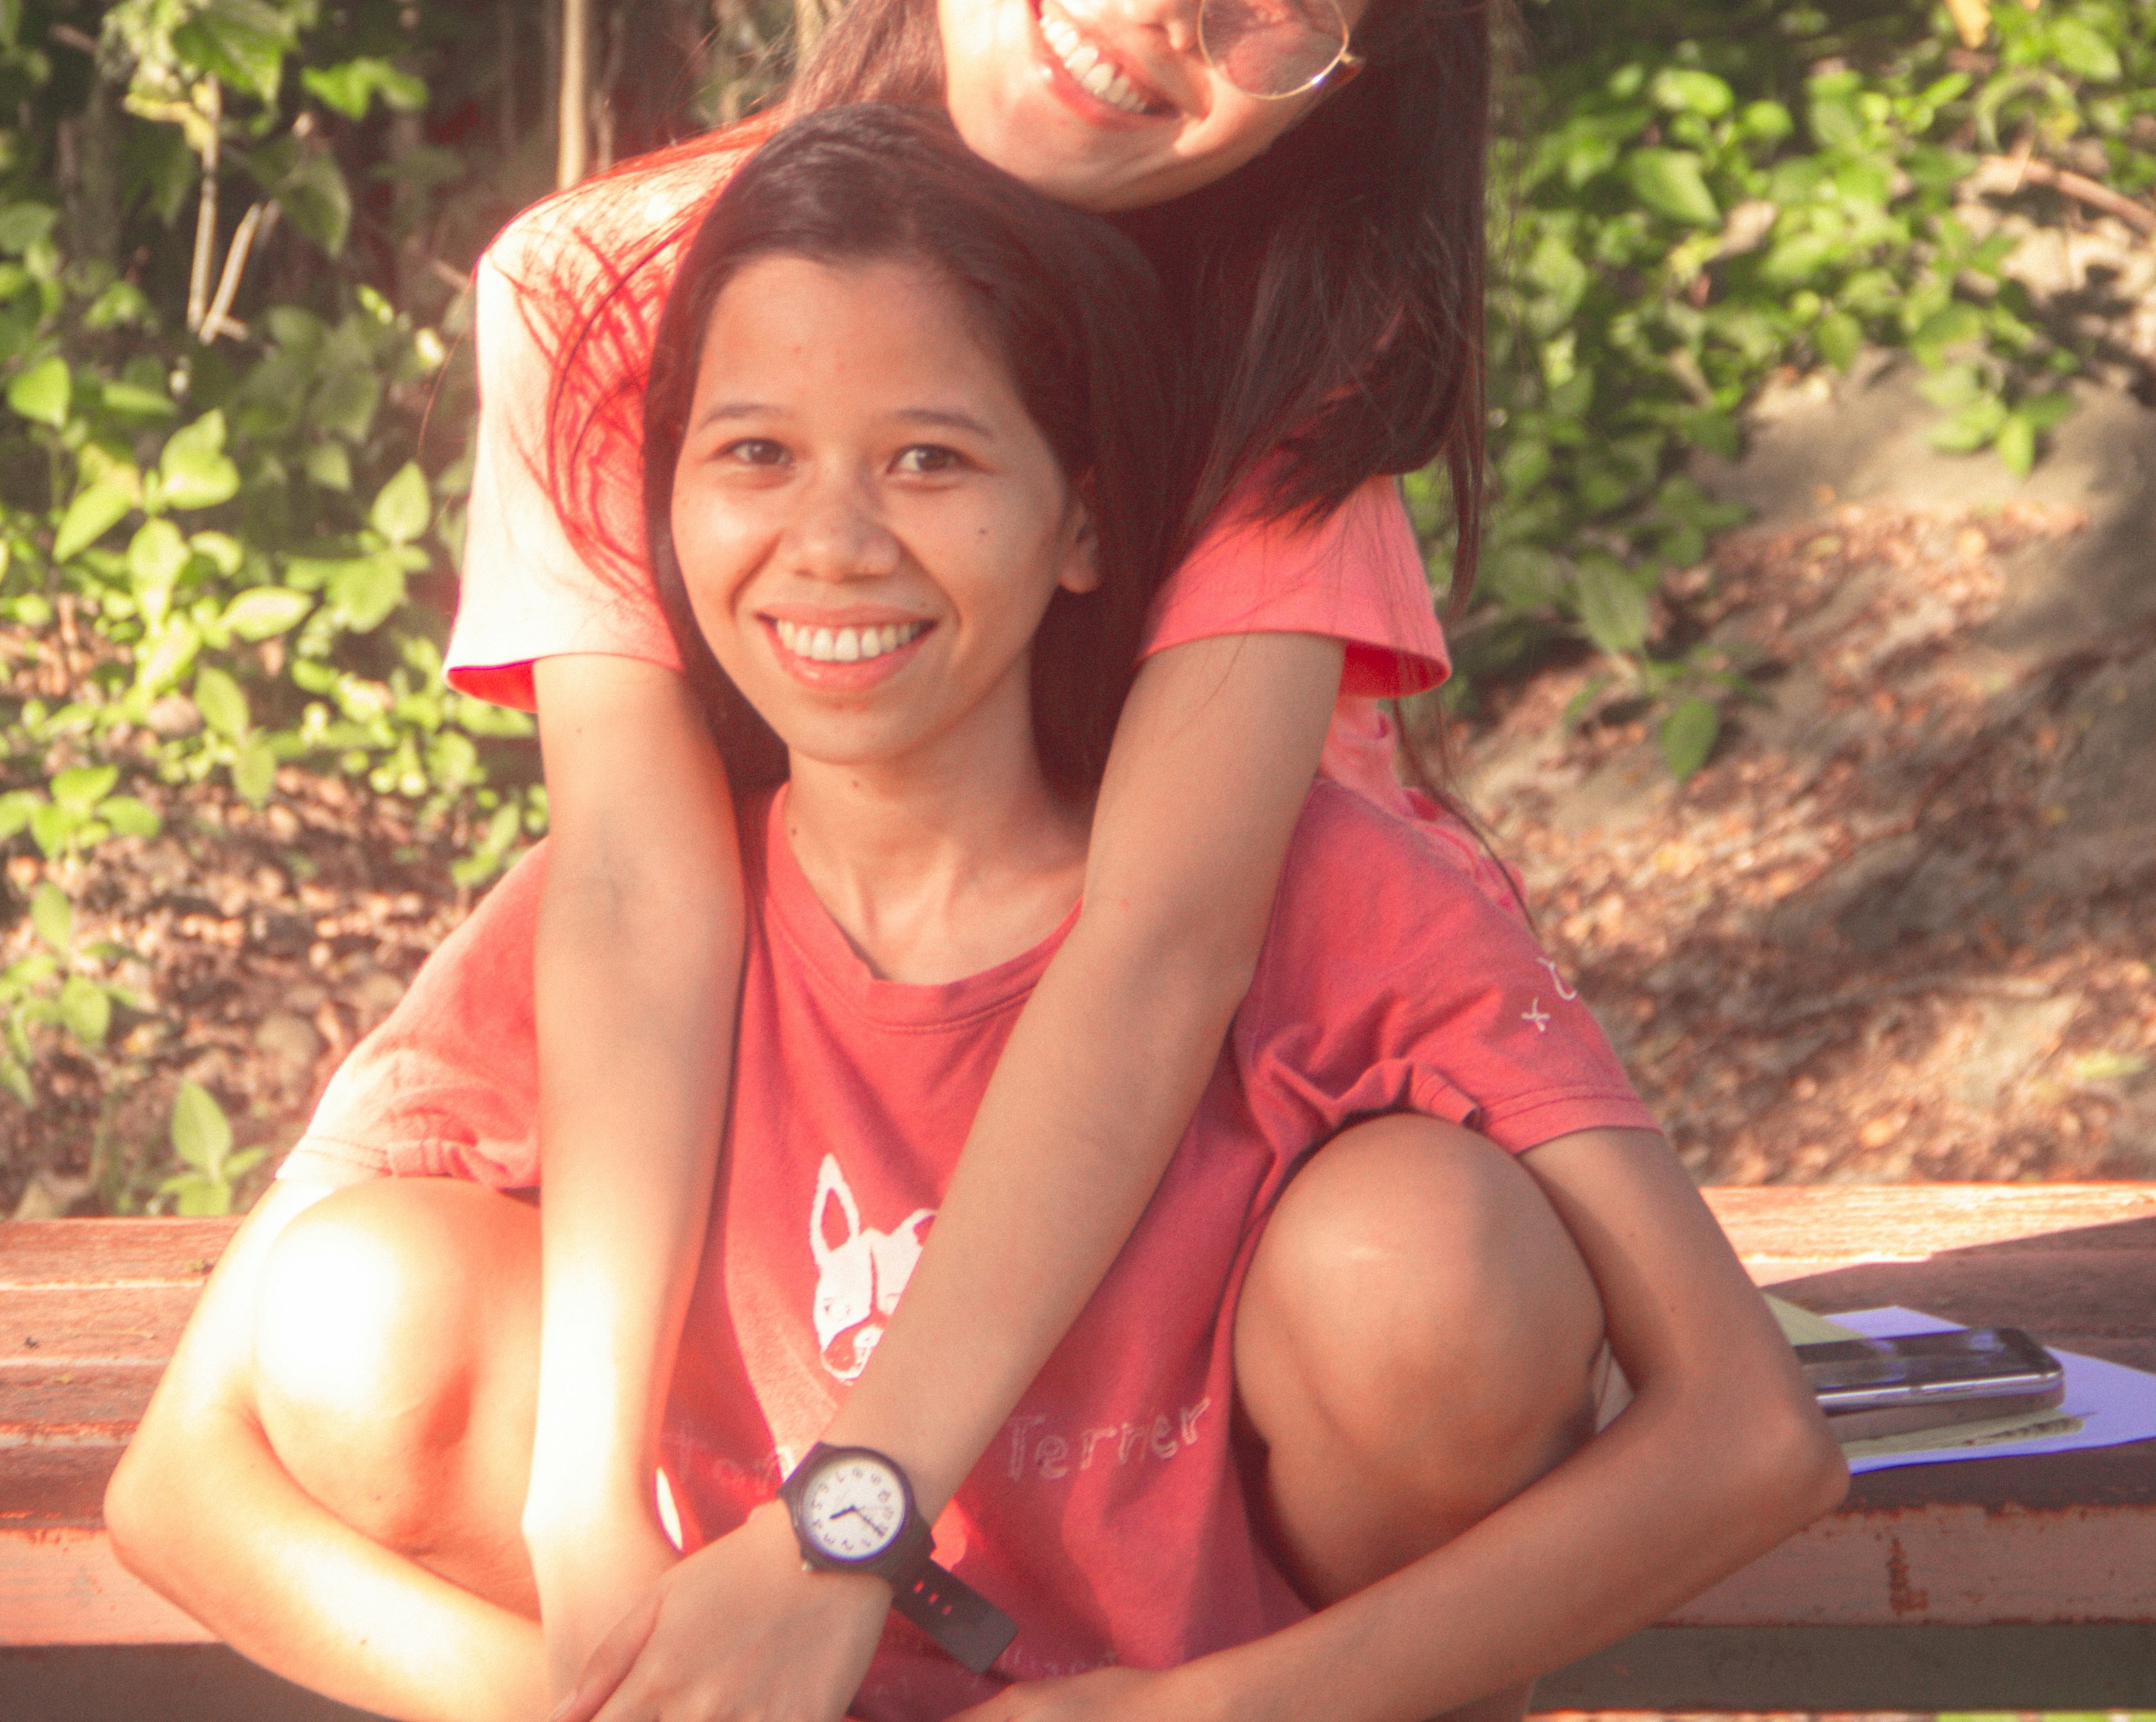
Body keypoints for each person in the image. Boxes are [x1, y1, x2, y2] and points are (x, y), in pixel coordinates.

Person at [103, 108, 1846, 1722]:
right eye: (757, 455)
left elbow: (1757, 1433)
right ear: (665, 512)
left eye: (931, 461)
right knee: (356, 1309)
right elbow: (184, 1487)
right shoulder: (612, 918)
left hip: (1215, 1692)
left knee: (1431, 1262)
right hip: (739, 1669)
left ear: (1085, 520)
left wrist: (1201, 1718)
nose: (834, 542)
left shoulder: (1316, 888)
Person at [456, 0, 1543, 1704]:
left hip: (1209, 1175)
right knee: (378, 1342)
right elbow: (635, 883)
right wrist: (584, 1511)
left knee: (1431, 1306)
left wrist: (850, 1509)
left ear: (1328, 93)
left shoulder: (1290, 370)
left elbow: (1162, 959)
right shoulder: (598, 293)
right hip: (815, 1146)